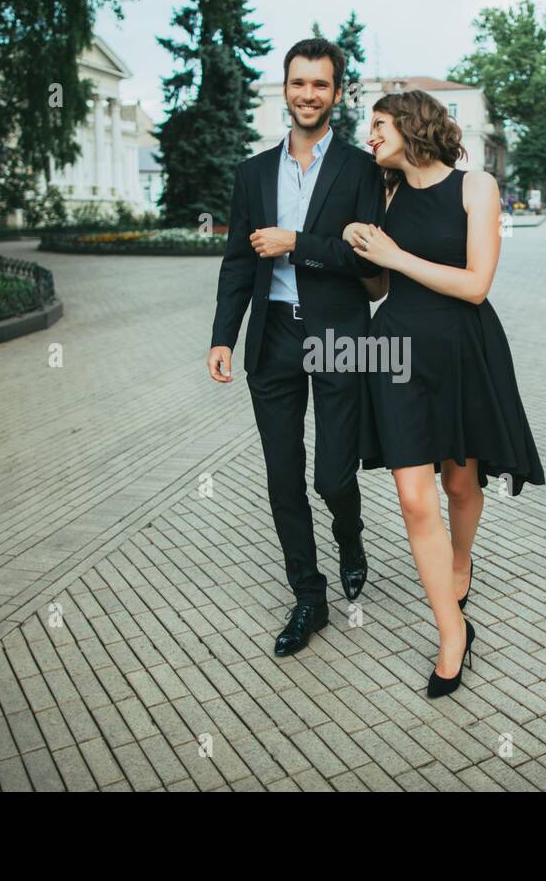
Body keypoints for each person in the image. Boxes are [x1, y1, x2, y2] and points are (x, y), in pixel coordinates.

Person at [343, 90, 545, 700]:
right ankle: (451, 630)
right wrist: (362, 252)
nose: (370, 136)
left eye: (377, 125)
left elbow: (477, 285)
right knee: (412, 498)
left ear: (410, 124)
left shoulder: (475, 187)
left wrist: (395, 255)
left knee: (460, 483)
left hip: (461, 348)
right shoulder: (385, 193)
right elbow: (380, 286)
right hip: (396, 352)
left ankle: (461, 564)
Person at [207, 38, 383, 658]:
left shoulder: (361, 169)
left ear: (337, 93)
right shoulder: (253, 173)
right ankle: (308, 597)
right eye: (298, 83)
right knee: (283, 473)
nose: (308, 94)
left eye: (320, 85)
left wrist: (296, 242)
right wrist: (223, 337)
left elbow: (364, 253)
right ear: (284, 89)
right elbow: (236, 262)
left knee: (332, 474)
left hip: (338, 335)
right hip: (274, 336)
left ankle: (351, 534)